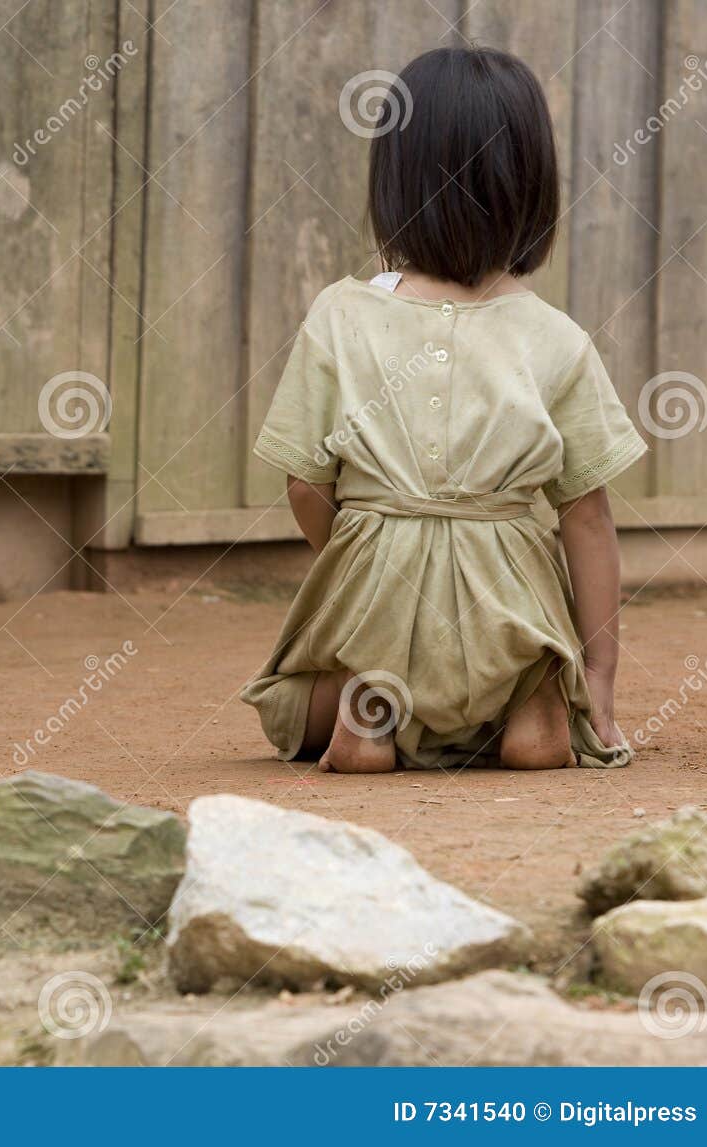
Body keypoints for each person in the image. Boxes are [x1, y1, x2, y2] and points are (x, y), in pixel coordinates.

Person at [241, 46, 644, 772]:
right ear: (533, 186)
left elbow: (304, 484)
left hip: (376, 604)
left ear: (394, 180)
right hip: (510, 622)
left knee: (292, 706)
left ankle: (371, 703)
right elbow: (587, 517)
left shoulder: (340, 314)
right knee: (526, 663)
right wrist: (600, 681)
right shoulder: (557, 338)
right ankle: (534, 703)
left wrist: (362, 559)